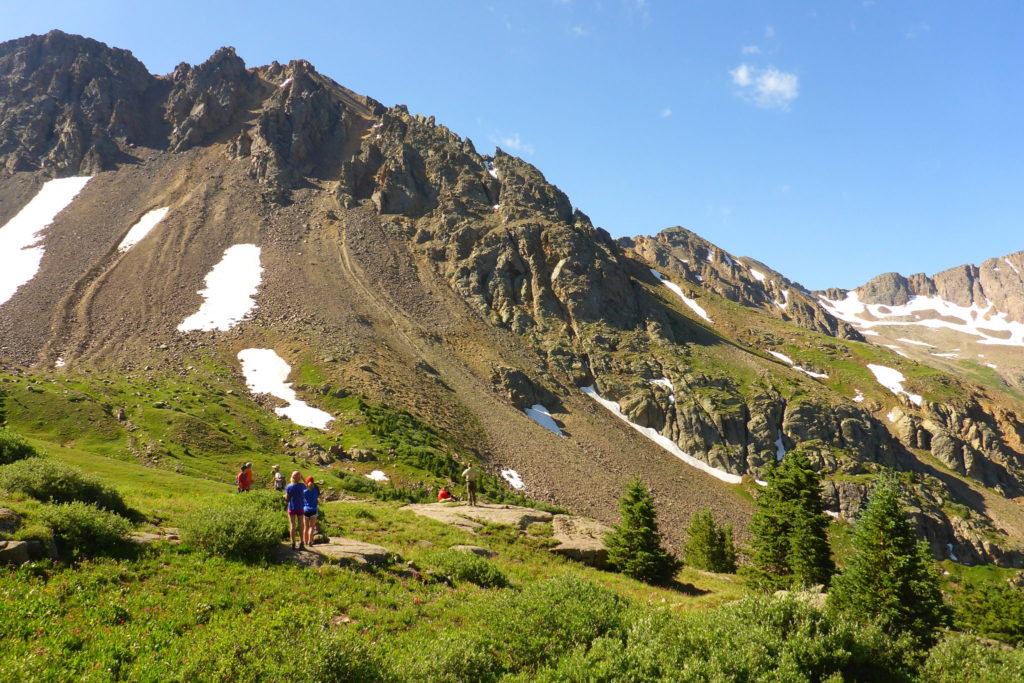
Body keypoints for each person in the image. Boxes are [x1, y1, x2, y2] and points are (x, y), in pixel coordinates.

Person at [285, 471, 306, 549]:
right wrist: (302, 477)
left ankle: (293, 543)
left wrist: (284, 497)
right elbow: (307, 484)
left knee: (292, 525)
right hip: (300, 507)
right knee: (301, 525)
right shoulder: (302, 486)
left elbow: (287, 498)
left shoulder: (289, 486)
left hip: (292, 507)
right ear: (299, 478)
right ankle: (301, 543)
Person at [302, 476, 320, 547]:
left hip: (305, 510)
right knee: (312, 527)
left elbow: (305, 487)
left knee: (305, 527)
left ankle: (304, 541)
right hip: (314, 510)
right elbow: (317, 494)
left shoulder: (304, 491)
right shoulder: (316, 490)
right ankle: (310, 541)